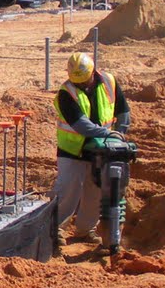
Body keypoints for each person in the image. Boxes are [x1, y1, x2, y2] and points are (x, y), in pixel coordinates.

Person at [53, 51, 130, 245]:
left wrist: (119, 135)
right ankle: (56, 231)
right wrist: (110, 135)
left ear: (93, 72)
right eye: (77, 82)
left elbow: (123, 111)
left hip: (100, 150)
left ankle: (85, 230)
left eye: (84, 81)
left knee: (95, 191)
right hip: (72, 150)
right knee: (67, 190)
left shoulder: (109, 83)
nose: (81, 85)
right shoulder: (66, 93)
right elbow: (81, 125)